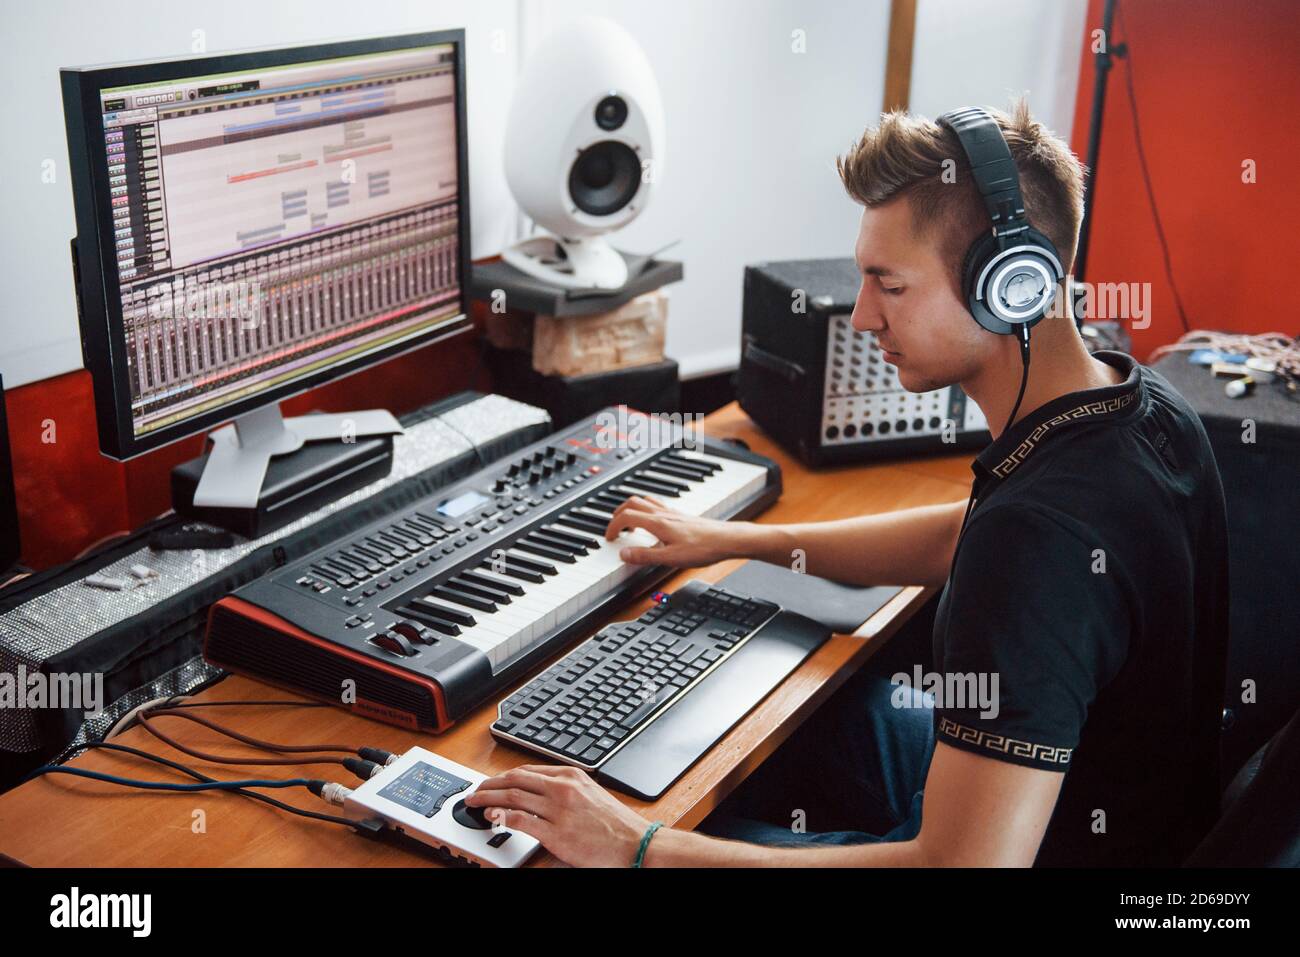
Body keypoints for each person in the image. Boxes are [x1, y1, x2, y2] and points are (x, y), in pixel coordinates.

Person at [465, 101, 1229, 867]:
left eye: (887, 286)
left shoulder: (1039, 540)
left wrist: (640, 849)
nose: (862, 317)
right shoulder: (1140, 406)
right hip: (1105, 813)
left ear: (1011, 286)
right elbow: (963, 534)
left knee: (607, 845)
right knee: (798, 713)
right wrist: (731, 540)